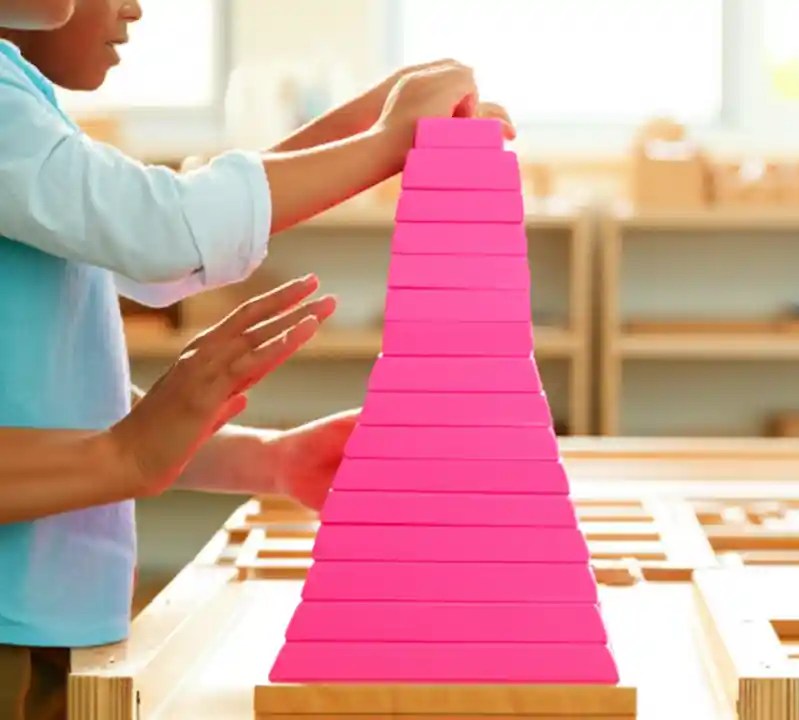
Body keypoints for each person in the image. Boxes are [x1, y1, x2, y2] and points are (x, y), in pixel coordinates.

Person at [0, 1, 515, 717]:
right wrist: (382, 142)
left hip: (47, 619)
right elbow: (162, 233)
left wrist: (266, 459)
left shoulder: (23, 101)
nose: (133, 8)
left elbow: (74, 374)